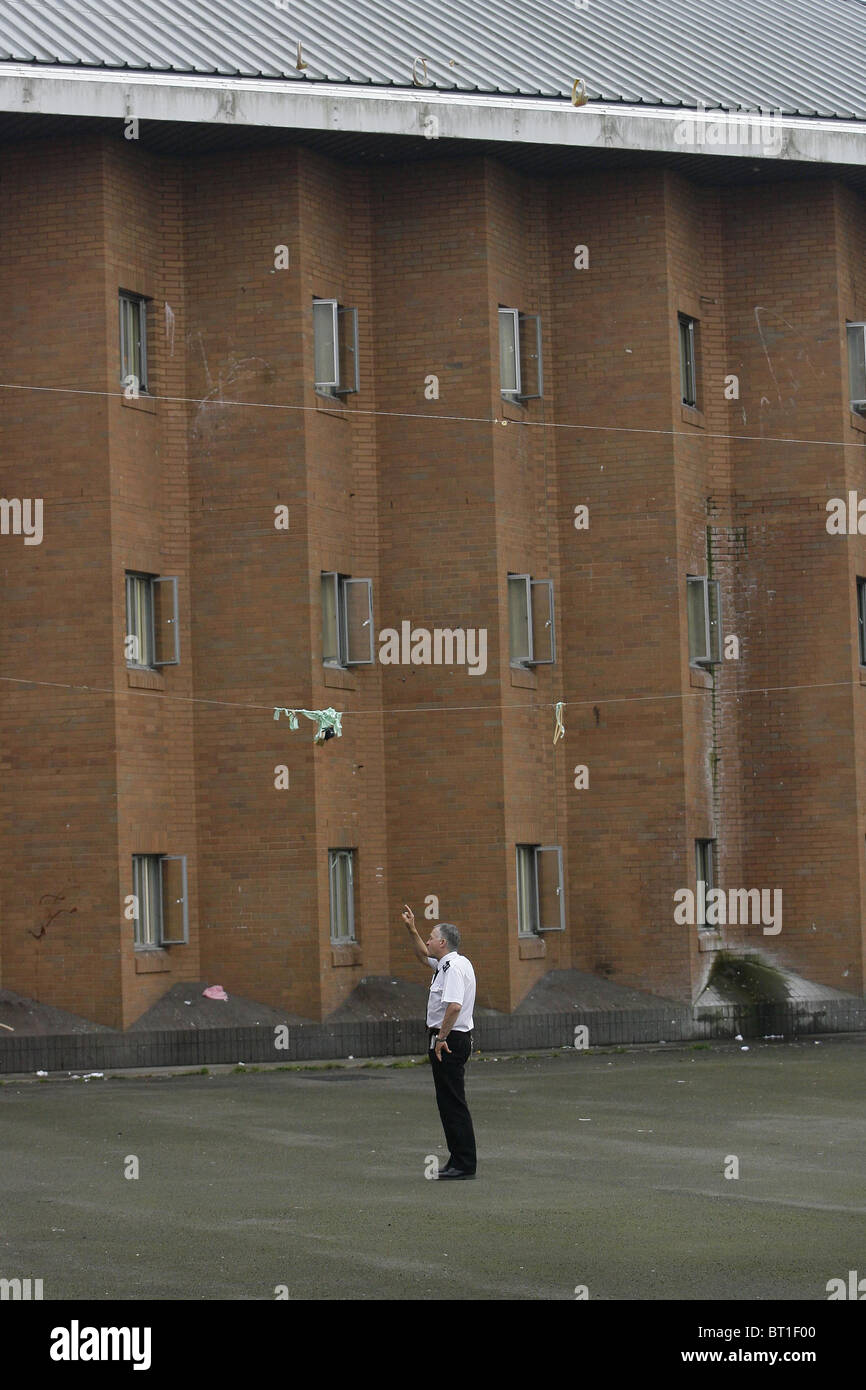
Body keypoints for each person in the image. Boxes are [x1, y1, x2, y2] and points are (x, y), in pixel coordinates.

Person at [402, 904, 477, 1180]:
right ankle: (458, 1160)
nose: (429, 940)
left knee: (453, 1102)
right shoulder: (450, 963)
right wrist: (412, 929)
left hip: (449, 1040)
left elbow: (454, 1007)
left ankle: (464, 1164)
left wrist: (441, 1038)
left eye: (432, 936)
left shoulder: (453, 969)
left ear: (443, 942)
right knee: (448, 1102)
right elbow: (423, 955)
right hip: (448, 1038)